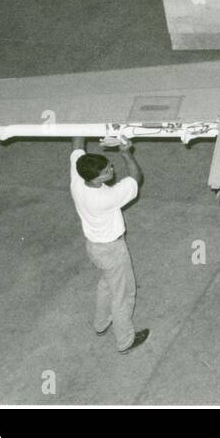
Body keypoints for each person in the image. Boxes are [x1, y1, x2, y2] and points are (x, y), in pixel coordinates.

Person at [69, 136, 149, 354]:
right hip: (112, 250)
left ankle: (101, 323)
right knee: (123, 295)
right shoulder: (106, 198)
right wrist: (125, 152)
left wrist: (81, 125)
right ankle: (125, 341)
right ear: (96, 179)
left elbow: (77, 146)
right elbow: (136, 177)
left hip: (95, 248)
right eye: (106, 170)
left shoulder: (77, 179)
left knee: (107, 283)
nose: (111, 170)